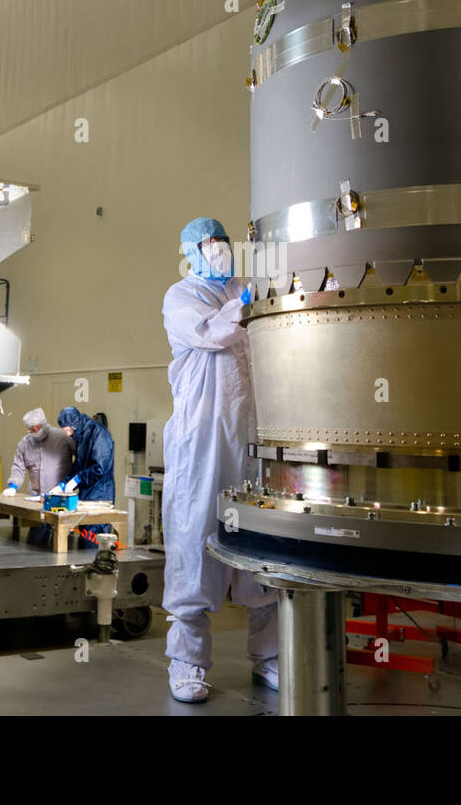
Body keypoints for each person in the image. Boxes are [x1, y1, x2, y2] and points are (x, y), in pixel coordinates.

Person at [160, 216, 277, 704]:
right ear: (190, 250)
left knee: (262, 545)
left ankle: (269, 657)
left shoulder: (244, 288)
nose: (220, 250)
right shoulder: (182, 296)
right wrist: (246, 303)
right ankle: (187, 663)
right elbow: (212, 332)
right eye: (210, 244)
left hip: (252, 435)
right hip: (201, 441)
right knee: (193, 539)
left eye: (224, 242)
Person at [3, 408, 73, 497]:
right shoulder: (25, 444)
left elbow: (81, 458)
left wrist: (71, 483)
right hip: (34, 495)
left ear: (44, 423)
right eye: (31, 429)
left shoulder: (62, 437)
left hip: (59, 495)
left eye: (38, 427)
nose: (35, 431)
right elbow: (18, 467)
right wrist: (13, 487)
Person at [55, 407, 115, 503]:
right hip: (86, 494)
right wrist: (63, 484)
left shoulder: (99, 433)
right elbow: (78, 465)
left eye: (68, 430)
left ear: (75, 425)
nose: (67, 434)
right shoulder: (80, 436)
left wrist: (77, 480)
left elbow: (99, 468)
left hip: (100, 495)